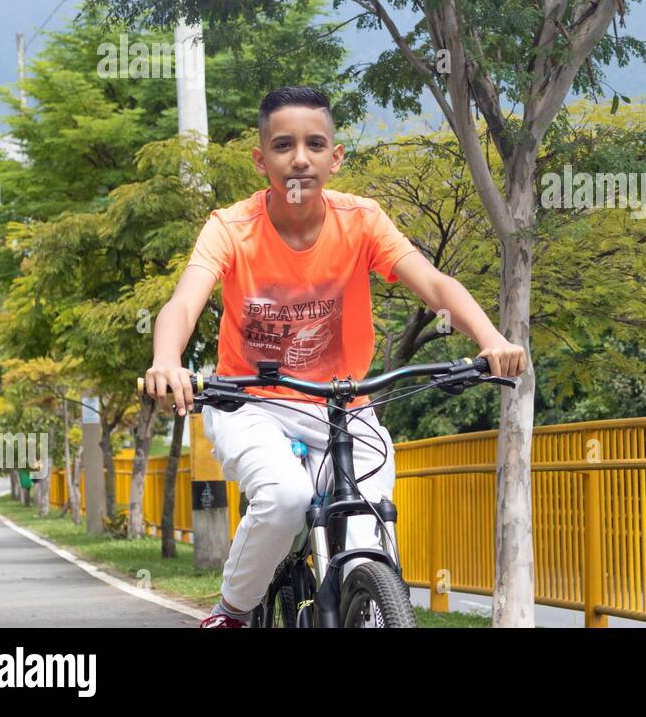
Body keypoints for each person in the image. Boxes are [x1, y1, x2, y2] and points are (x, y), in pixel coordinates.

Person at [143, 87, 527, 628]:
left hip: (342, 404)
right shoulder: (230, 228)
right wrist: (167, 359)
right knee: (285, 498)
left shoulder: (362, 221)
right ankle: (230, 612)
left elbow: (435, 286)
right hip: (247, 401)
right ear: (261, 161)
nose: (300, 157)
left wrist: (491, 338)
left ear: (335, 157)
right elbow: (183, 303)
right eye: (283, 145)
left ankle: (368, 608)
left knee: (369, 530)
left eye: (314, 144)